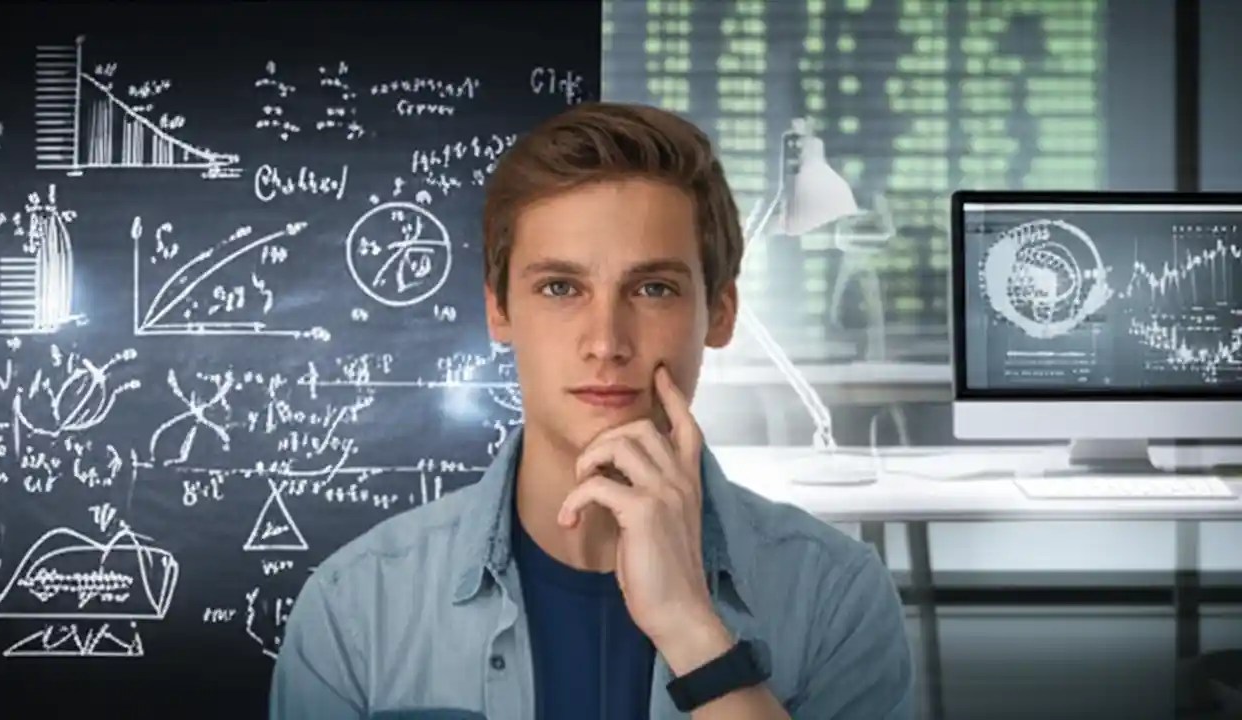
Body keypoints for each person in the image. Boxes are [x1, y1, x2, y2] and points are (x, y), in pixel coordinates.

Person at [270, 101, 914, 719]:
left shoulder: (837, 597)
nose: (606, 342)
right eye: (560, 287)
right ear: (500, 309)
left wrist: (692, 628)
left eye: (653, 288)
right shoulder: (354, 605)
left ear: (720, 313)